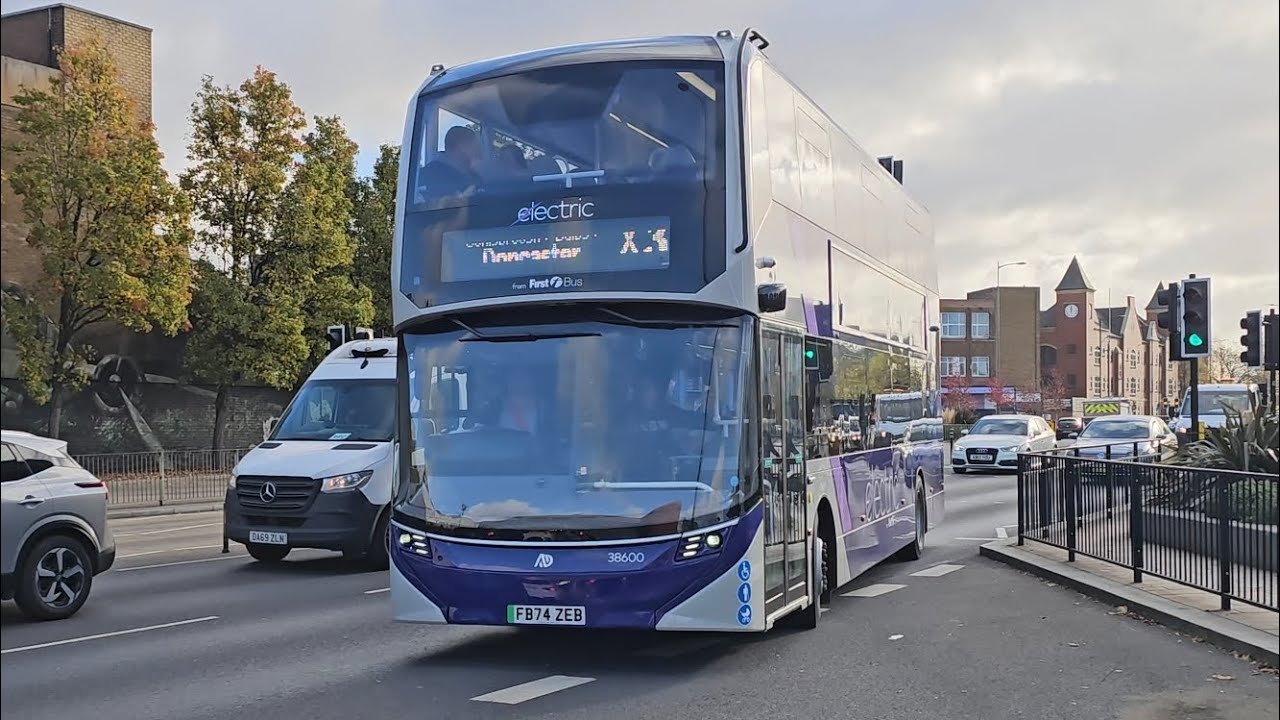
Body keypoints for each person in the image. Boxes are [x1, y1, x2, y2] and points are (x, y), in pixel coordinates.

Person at [416, 125, 481, 203]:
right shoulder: (427, 175)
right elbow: (424, 210)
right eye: (475, 146)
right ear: (461, 146)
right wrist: (460, 200)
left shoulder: (475, 176)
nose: (479, 151)